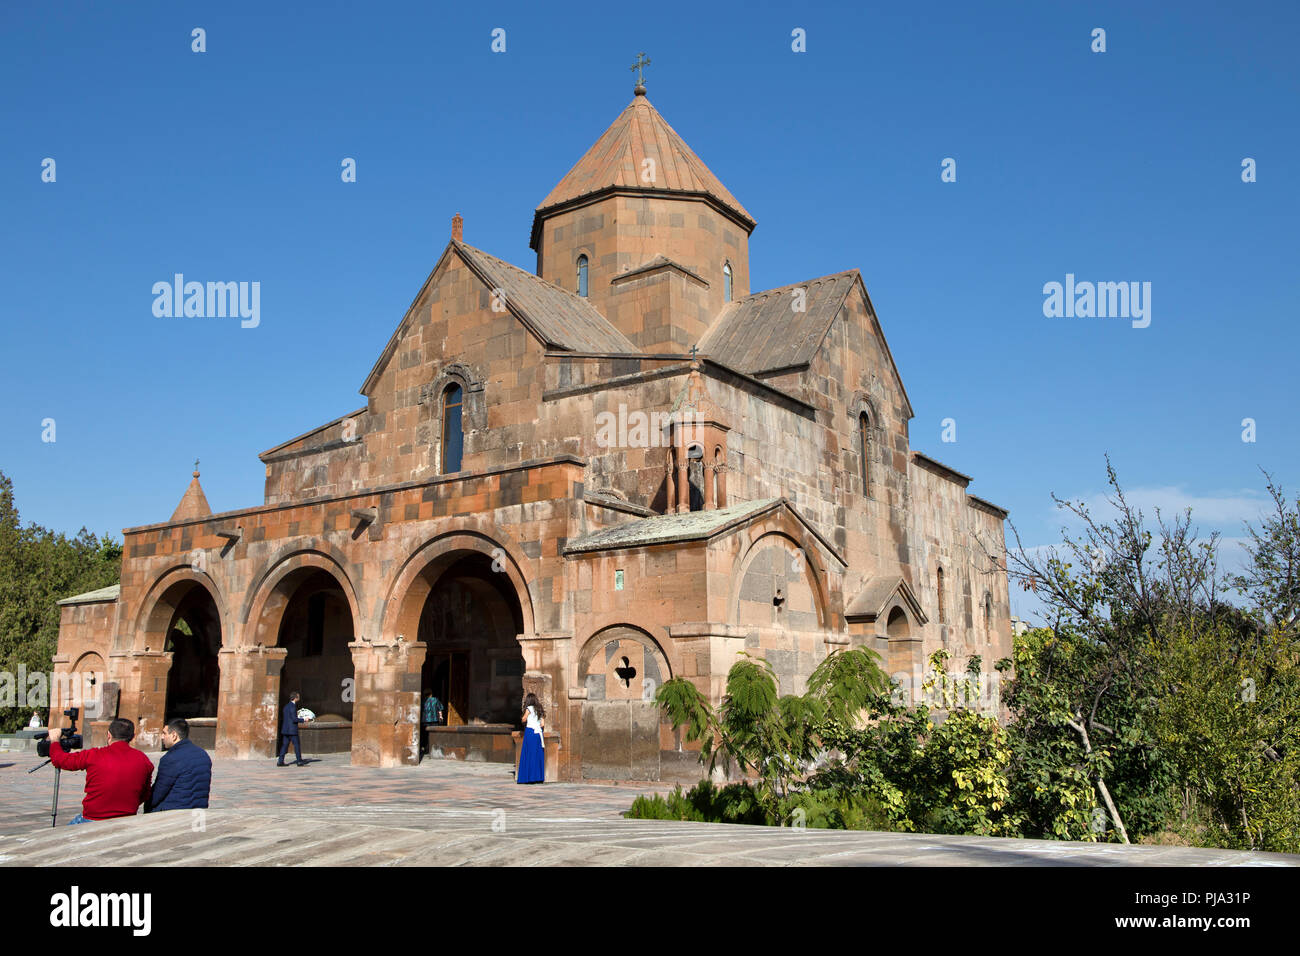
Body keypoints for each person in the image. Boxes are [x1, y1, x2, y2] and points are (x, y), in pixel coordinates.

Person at [49, 717, 154, 824]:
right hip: (126, 818)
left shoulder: (94, 755)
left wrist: (55, 740)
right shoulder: (144, 761)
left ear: (109, 735)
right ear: (133, 737)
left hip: (93, 818)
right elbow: (145, 794)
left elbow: (60, 760)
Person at [146, 718, 212, 812]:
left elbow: (158, 793)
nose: (162, 737)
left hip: (174, 812)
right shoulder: (203, 754)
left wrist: (147, 807)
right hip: (198, 811)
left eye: (164, 733)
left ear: (174, 736)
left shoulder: (171, 758)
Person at [517, 693, 545, 784]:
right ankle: (538, 777)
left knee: (529, 754)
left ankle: (529, 778)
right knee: (537, 755)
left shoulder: (529, 708)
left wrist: (524, 717)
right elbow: (542, 724)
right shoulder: (540, 710)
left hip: (530, 732)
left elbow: (524, 719)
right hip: (538, 734)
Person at [278, 691, 308, 766]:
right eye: (298, 696)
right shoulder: (293, 707)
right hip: (292, 730)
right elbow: (294, 719)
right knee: (296, 745)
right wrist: (304, 719)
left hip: (285, 730)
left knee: (284, 745)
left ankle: (280, 761)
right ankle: (299, 761)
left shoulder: (286, 706)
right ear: (295, 698)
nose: (299, 698)